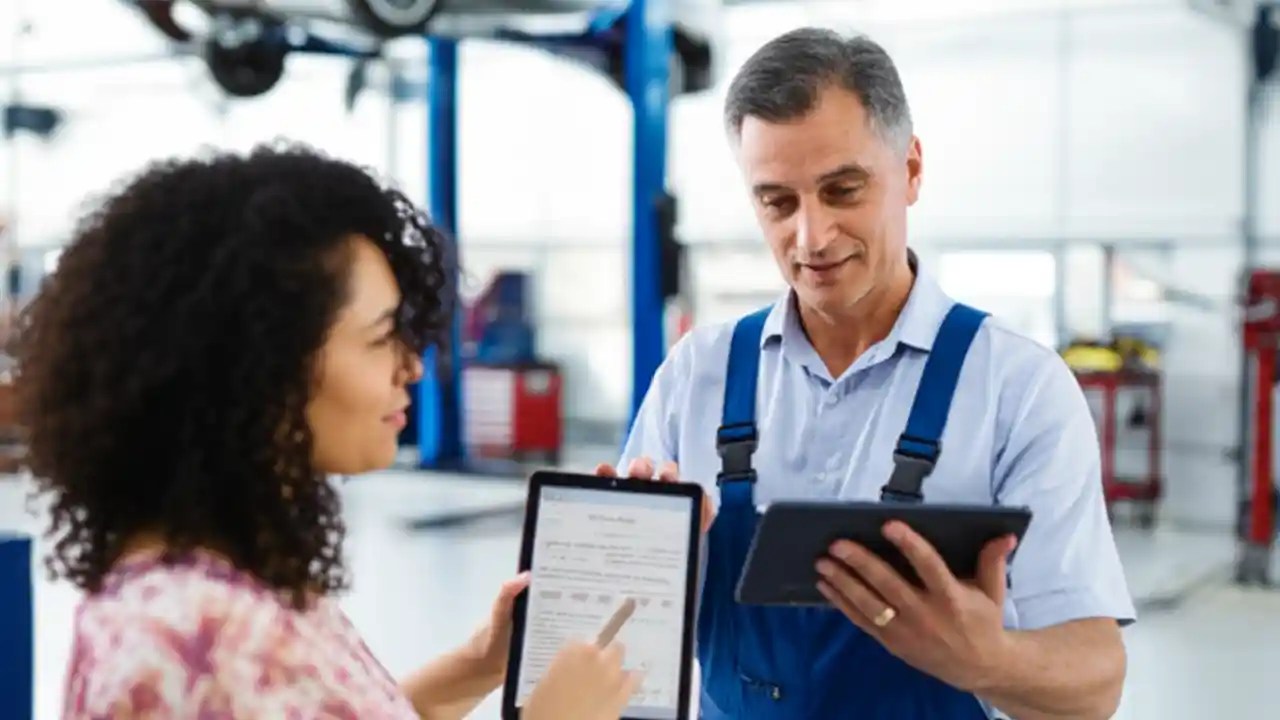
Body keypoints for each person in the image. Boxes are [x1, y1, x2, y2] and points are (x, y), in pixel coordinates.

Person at [598, 28, 1134, 720]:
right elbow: (616, 649)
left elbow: (1095, 687)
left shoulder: (1017, 389)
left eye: (842, 190)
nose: (810, 237)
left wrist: (987, 659)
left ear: (910, 170)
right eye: (777, 202)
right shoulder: (694, 378)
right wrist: (633, 565)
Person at [14, 144, 640, 720]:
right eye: (378, 338)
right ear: (258, 371)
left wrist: (478, 665)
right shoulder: (211, 635)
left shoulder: (202, 583)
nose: (411, 366)